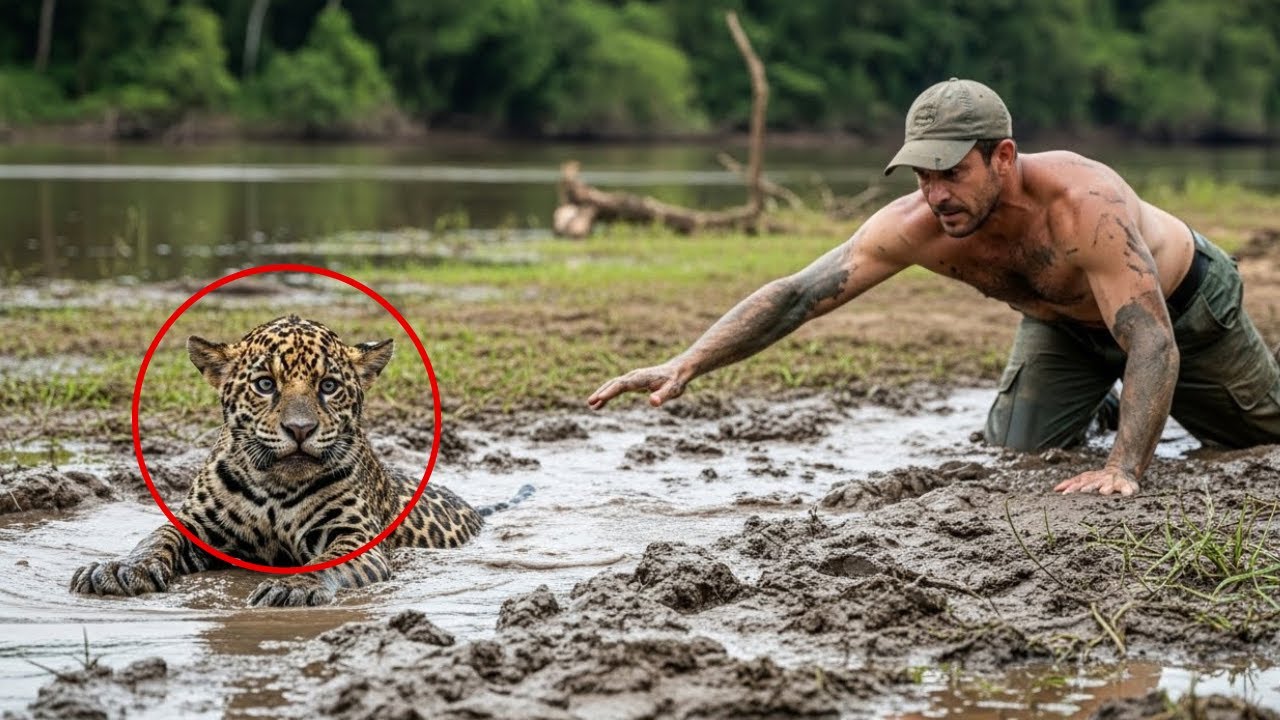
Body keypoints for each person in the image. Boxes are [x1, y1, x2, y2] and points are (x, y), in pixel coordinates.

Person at [586, 77, 1280, 497]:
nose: (934, 193)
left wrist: (1126, 468)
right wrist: (688, 361)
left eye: (951, 172)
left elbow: (1153, 339)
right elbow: (798, 295)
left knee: (1260, 441)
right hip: (1063, 328)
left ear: (1002, 157)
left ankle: (1128, 419)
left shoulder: (1084, 206)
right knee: (1016, 454)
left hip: (1183, 312)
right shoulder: (919, 224)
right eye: (921, 174)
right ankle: (1098, 401)